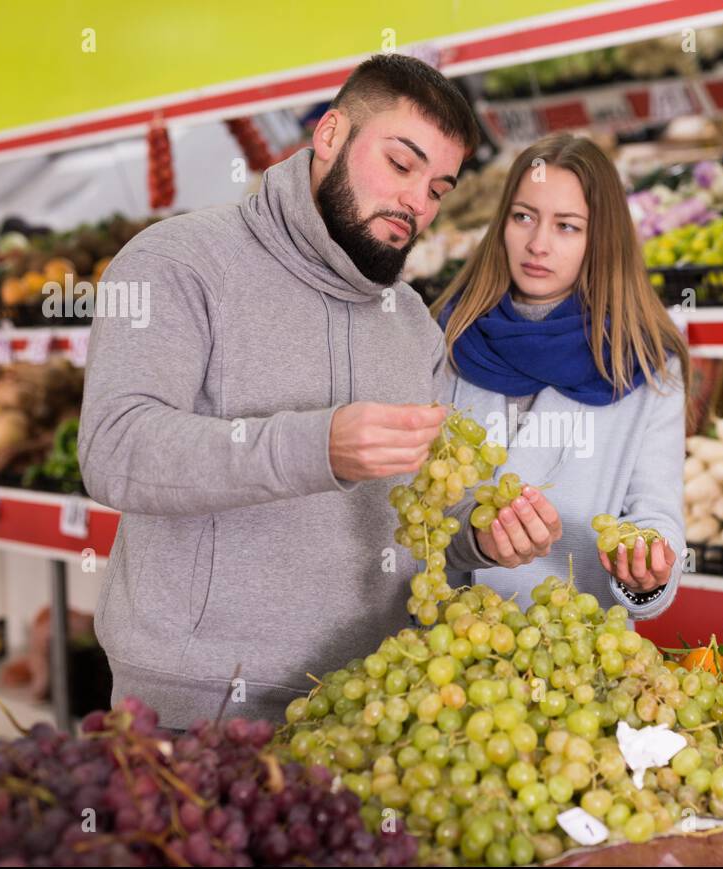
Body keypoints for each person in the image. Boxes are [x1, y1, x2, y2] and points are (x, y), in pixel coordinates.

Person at [79, 54, 526, 729]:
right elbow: (117, 450)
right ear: (329, 135)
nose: (417, 203)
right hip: (198, 708)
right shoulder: (175, 262)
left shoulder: (409, 322)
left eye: (438, 187)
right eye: (401, 165)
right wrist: (318, 445)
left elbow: (416, 520)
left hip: (372, 702)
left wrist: (480, 539)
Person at [432, 133, 689, 619]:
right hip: (448, 661)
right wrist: (476, 542)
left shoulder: (645, 360)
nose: (538, 244)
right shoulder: (449, 337)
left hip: (573, 661)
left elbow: (656, 513)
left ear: (602, 238)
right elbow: (410, 514)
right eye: (523, 217)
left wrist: (646, 573)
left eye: (567, 226)